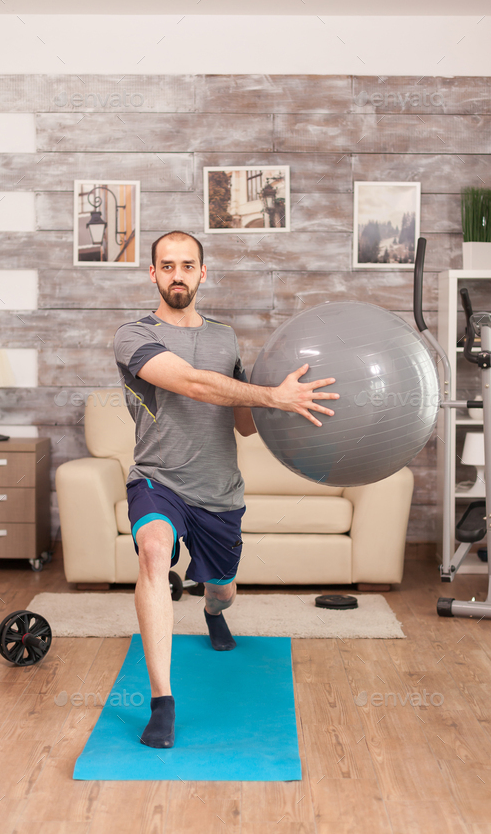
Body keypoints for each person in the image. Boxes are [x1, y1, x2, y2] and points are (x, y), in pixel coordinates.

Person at [113, 230, 339, 749]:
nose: (177, 274)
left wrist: (284, 393)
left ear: (202, 273)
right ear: (152, 274)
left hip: (219, 491)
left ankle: (213, 611)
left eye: (187, 266)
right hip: (158, 478)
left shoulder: (225, 337)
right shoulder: (132, 334)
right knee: (153, 554)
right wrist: (271, 395)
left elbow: (242, 423)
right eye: (166, 266)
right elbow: (192, 383)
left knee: (223, 588)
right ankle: (163, 702)